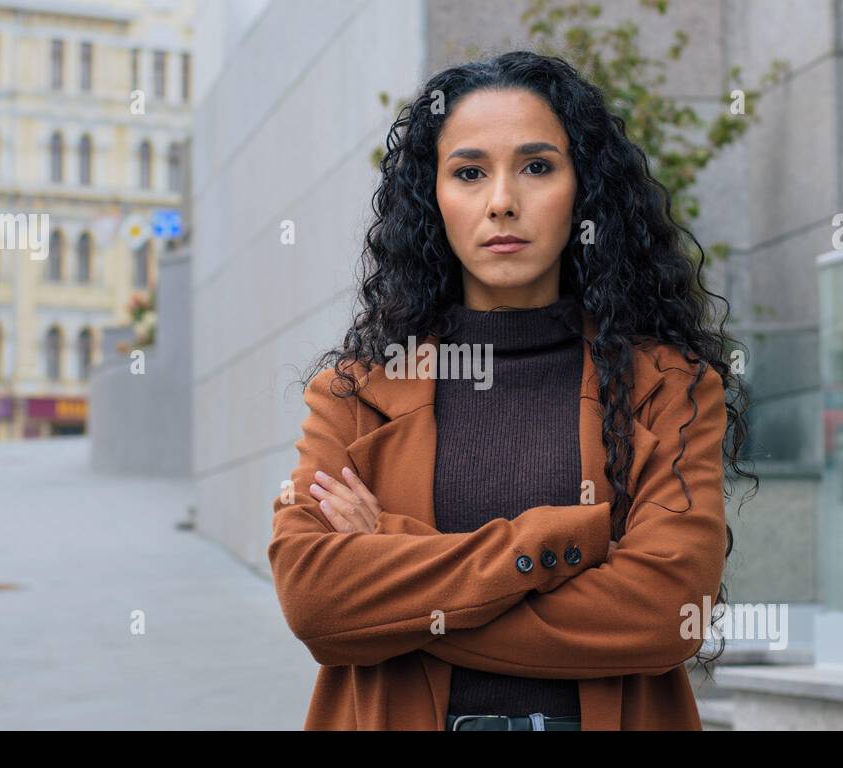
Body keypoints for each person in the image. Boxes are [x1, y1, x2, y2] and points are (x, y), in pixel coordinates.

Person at [268, 51, 757, 730]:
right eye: (469, 172)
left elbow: (667, 612)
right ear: (431, 198)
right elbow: (316, 599)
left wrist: (391, 550)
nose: (502, 200)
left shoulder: (667, 387)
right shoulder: (353, 394)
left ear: (582, 189)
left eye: (537, 166)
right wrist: (563, 542)